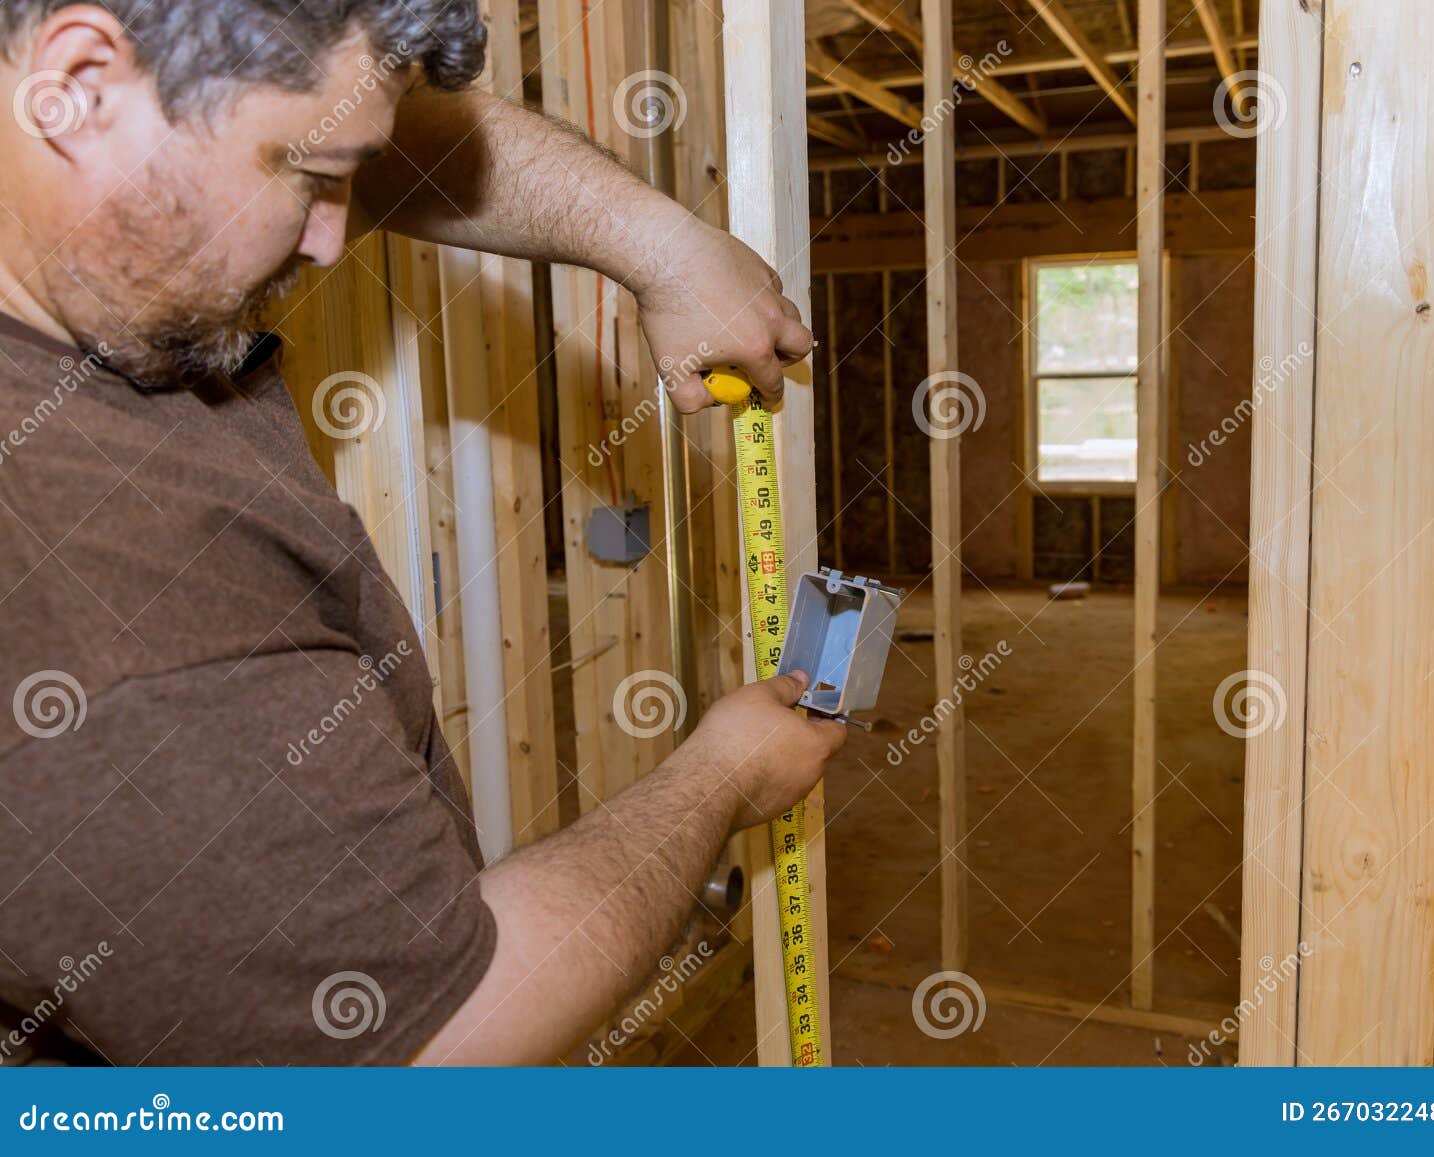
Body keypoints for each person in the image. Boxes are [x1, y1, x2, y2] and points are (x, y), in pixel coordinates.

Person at [0, 1, 844, 1066]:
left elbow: (358, 127)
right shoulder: (101, 611)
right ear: (76, 79)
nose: (333, 234)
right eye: (311, 180)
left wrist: (659, 244)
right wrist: (723, 777)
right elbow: (439, 1044)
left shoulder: (66, 157)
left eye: (348, 172)